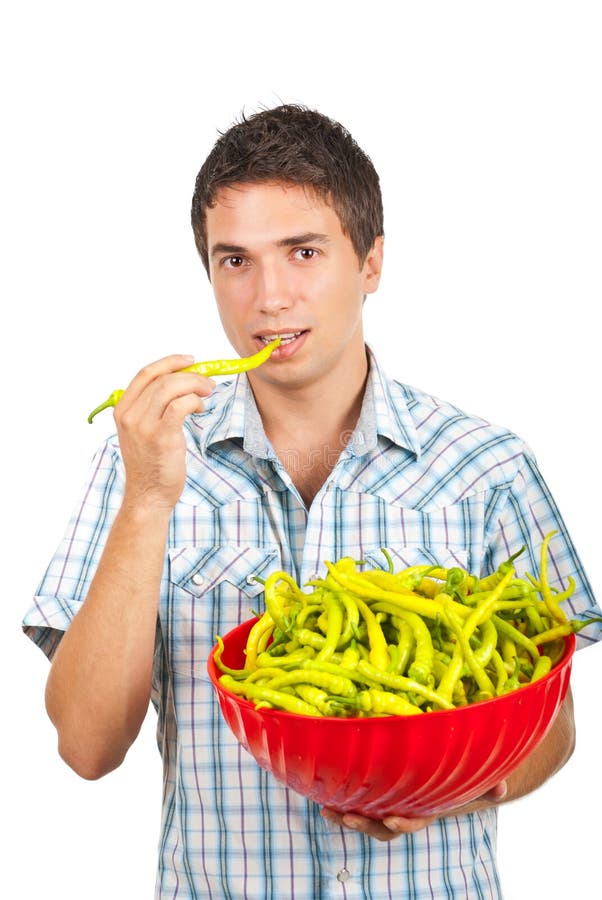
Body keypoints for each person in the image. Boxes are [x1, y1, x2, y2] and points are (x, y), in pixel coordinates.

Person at [23, 104, 601, 899]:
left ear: (371, 263)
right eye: (235, 261)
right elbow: (86, 747)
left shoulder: (486, 467)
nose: (269, 297)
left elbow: (553, 727)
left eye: (303, 252)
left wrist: (451, 788)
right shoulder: (139, 464)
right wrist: (150, 500)